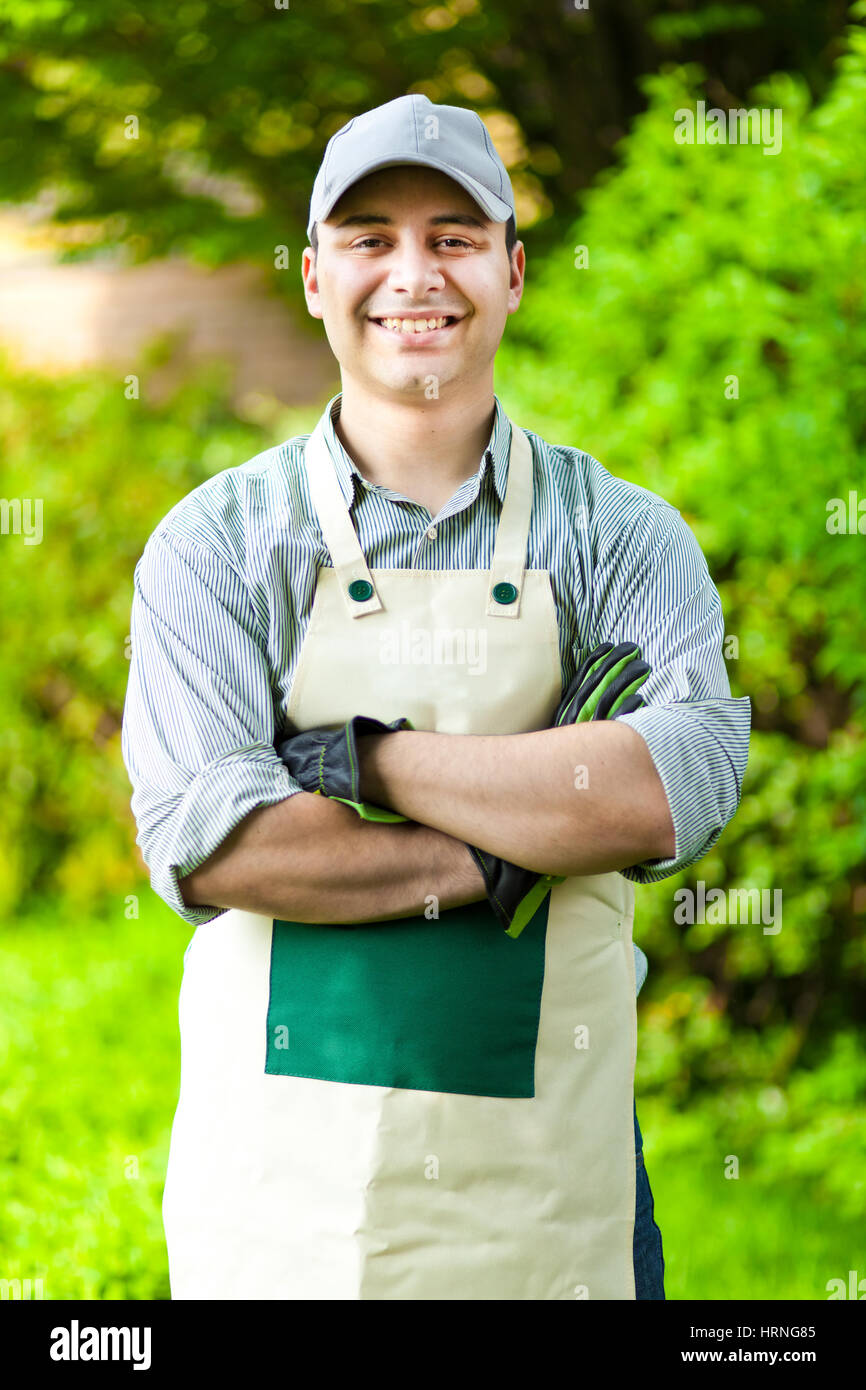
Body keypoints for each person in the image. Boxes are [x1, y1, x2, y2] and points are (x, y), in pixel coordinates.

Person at [121, 93, 750, 1300]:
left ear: (511, 274)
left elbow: (676, 785)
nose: (414, 274)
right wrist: (502, 850)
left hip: (552, 1186)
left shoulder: (620, 539)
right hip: (287, 1195)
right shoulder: (215, 546)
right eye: (370, 237)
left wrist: (368, 763)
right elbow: (216, 837)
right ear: (313, 278)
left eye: (453, 236)